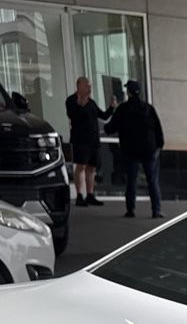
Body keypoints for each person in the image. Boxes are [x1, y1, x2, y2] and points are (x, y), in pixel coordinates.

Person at [104, 79, 165, 219]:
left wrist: (111, 112)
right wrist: (159, 145)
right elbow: (157, 127)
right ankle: (156, 210)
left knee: (131, 180)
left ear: (128, 93)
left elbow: (110, 128)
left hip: (130, 150)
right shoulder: (148, 108)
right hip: (149, 149)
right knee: (152, 180)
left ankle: (130, 209)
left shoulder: (123, 109)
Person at [64, 77, 112, 207]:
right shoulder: (71, 101)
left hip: (93, 140)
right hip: (80, 140)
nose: (89, 88)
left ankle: (90, 194)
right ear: (78, 86)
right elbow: (72, 115)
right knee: (81, 166)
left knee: (92, 168)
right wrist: (80, 104)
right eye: (86, 86)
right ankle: (79, 195)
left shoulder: (91, 102)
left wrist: (112, 108)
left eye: (90, 86)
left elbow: (103, 116)